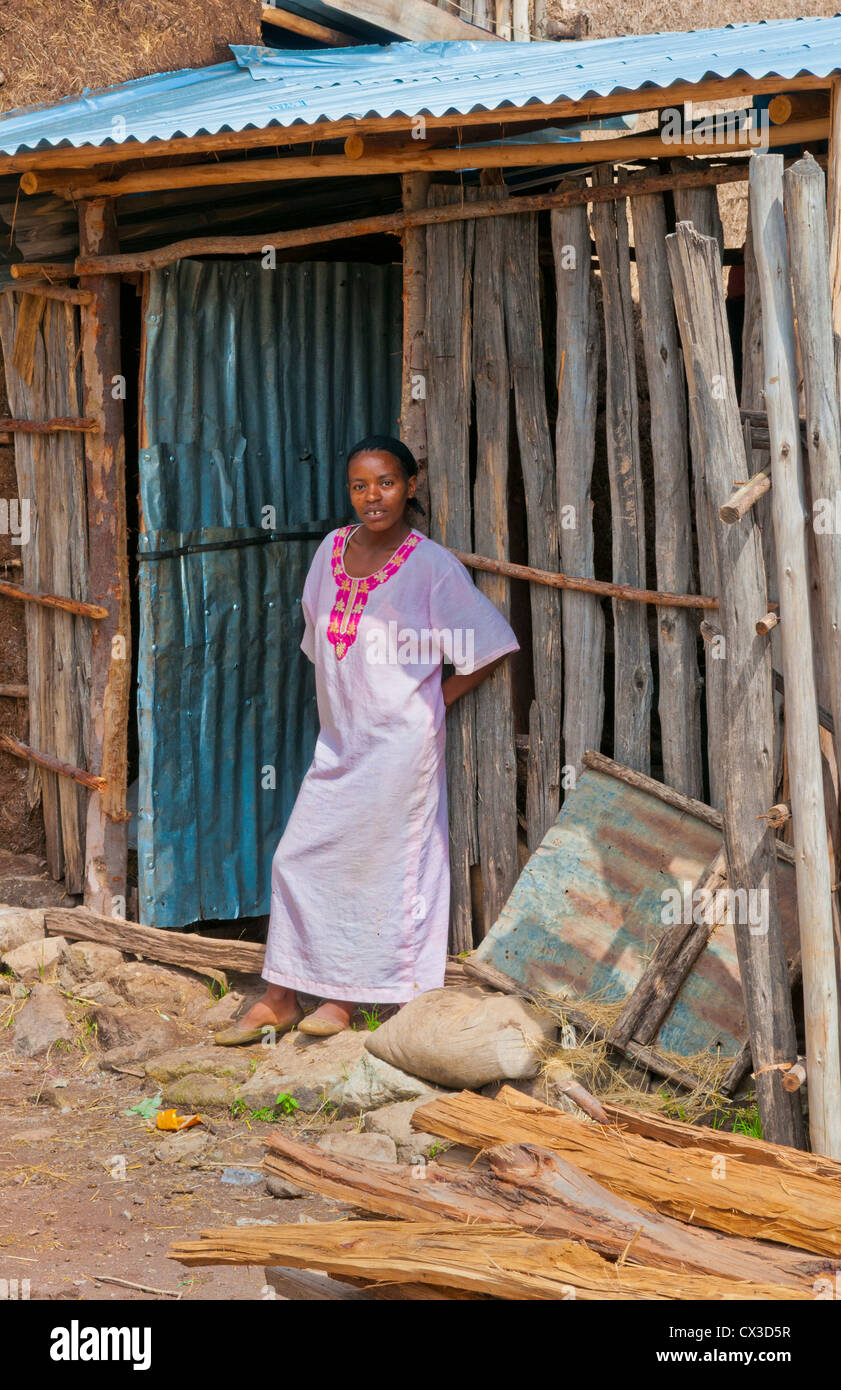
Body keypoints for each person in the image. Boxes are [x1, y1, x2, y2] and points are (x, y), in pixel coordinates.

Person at [215, 435, 519, 1044]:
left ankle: (346, 1000)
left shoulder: (431, 566)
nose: (372, 496)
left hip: (400, 749)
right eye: (359, 485)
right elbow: (320, 638)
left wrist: (432, 701)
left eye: (385, 483)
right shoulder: (330, 550)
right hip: (340, 742)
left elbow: (488, 646)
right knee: (298, 858)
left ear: (409, 486)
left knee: (379, 868)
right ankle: (280, 996)